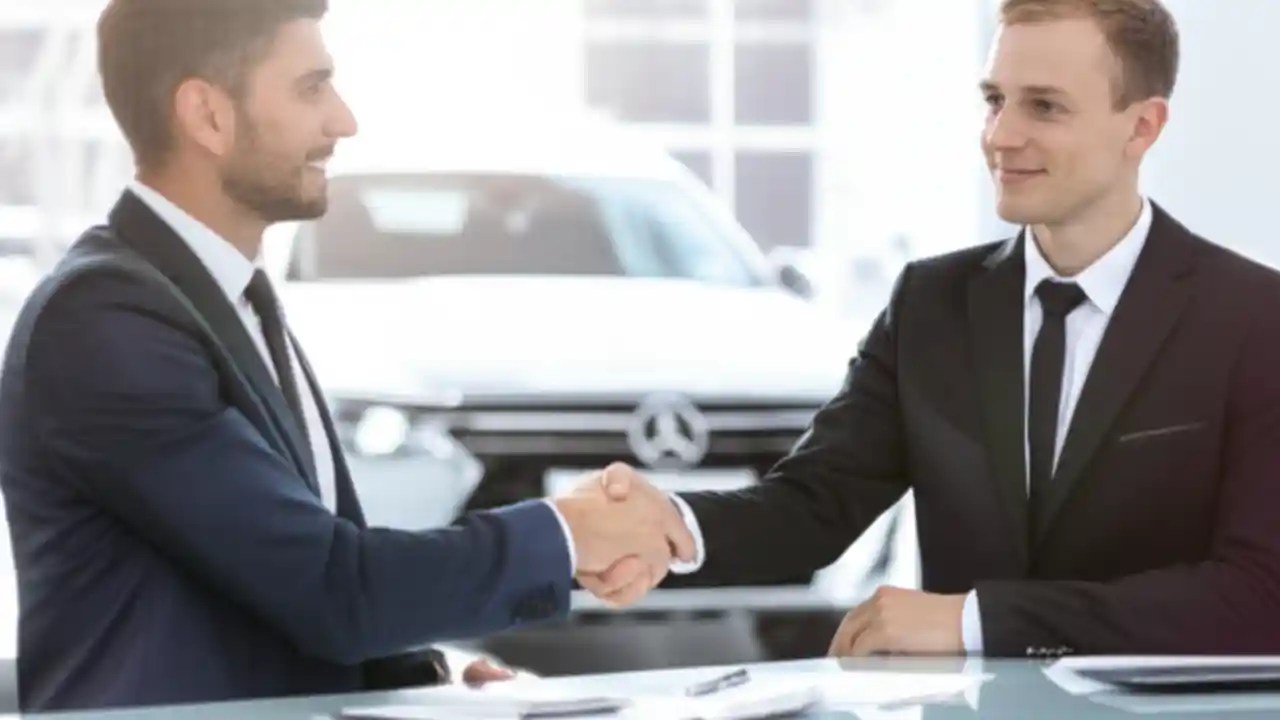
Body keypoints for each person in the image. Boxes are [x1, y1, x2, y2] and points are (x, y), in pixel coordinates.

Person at [0, 0, 691, 711]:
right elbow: (331, 587)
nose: (343, 121)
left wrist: (429, 675)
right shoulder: (104, 324)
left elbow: (277, 584)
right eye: (310, 88)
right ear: (208, 115)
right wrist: (568, 532)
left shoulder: (227, 304)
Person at [589, 0, 1280, 658]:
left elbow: (1259, 596)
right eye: (994, 99)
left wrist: (975, 620)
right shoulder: (932, 303)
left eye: (1044, 106)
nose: (1001, 135)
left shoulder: (1253, 319)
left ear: (1142, 127)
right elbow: (815, 504)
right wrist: (672, 526)